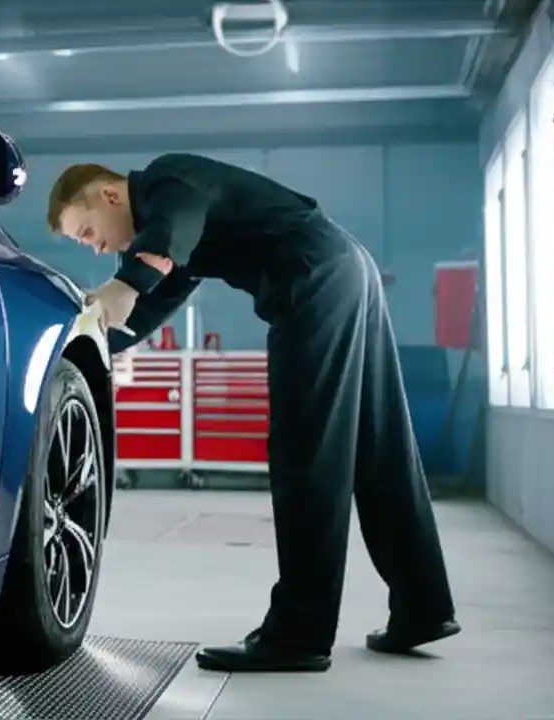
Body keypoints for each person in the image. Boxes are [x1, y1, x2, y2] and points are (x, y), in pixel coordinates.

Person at [47, 153, 459, 672]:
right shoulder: (175, 232)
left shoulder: (168, 181)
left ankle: (298, 634)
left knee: (305, 453)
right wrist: (81, 333)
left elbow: (168, 235)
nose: (95, 245)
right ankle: (423, 607)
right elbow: (147, 306)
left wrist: (125, 283)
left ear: (109, 196)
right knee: (380, 447)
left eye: (87, 231)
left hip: (315, 279)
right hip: (345, 270)